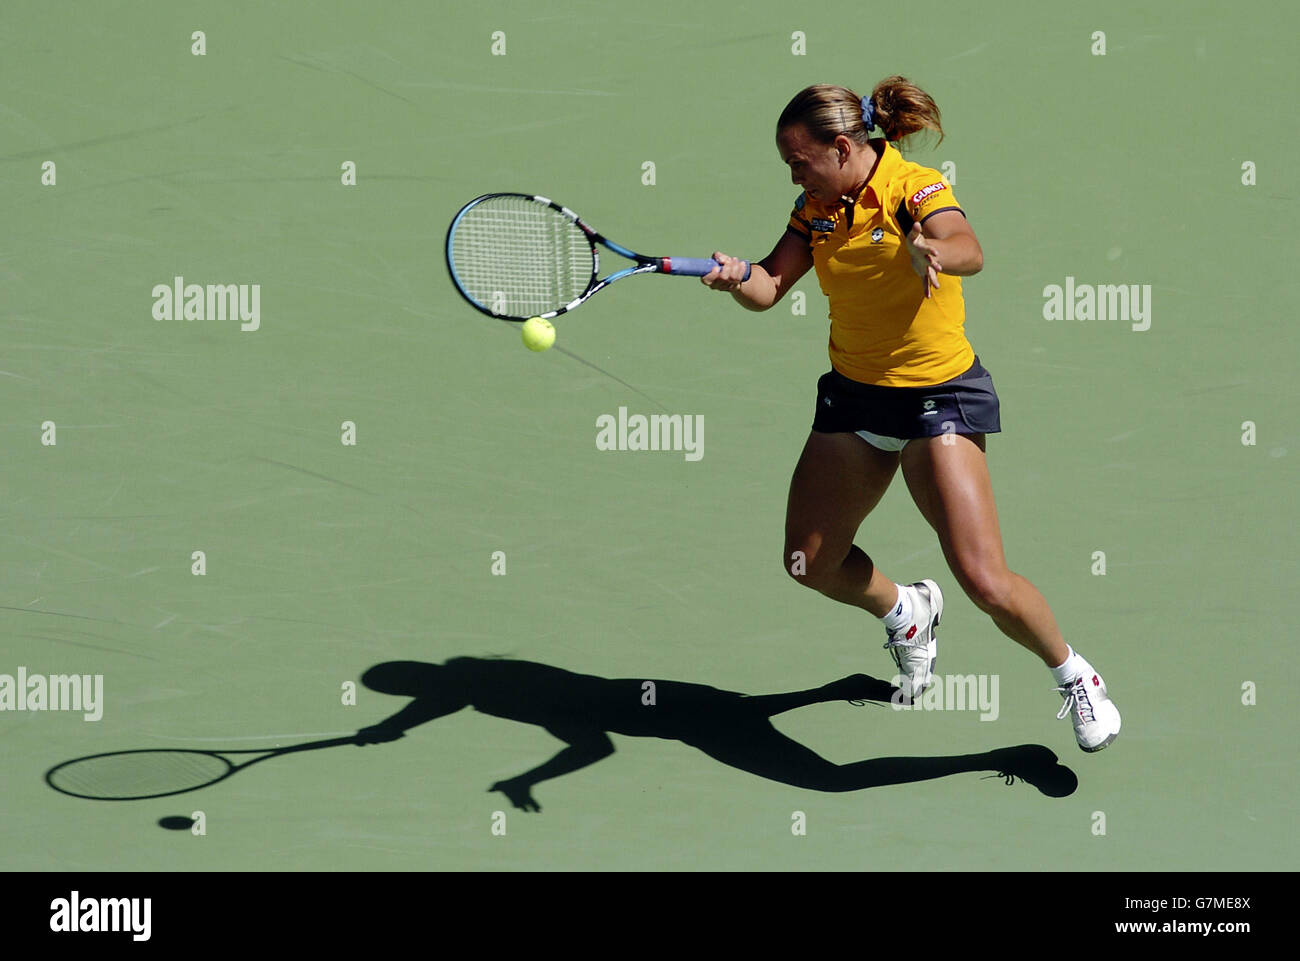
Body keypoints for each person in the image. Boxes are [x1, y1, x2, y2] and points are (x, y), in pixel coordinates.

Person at [701, 78, 1120, 752]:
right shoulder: (817, 207)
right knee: (808, 561)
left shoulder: (913, 187)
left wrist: (934, 250)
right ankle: (906, 609)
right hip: (856, 398)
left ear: (842, 147)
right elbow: (770, 284)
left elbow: (967, 247)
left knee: (985, 580)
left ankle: (1074, 674)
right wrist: (734, 277)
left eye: (799, 159)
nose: (793, 172)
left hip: (936, 398)